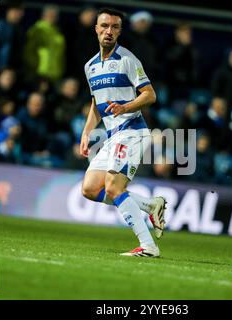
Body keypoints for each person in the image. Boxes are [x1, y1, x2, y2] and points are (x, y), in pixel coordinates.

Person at [80, 8, 166, 257]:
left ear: (120, 31)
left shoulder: (128, 59)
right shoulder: (90, 67)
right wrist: (87, 132)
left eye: (114, 27)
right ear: (96, 29)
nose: (109, 31)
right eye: (104, 26)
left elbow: (150, 95)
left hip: (131, 131)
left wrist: (125, 107)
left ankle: (148, 247)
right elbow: (96, 104)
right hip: (111, 136)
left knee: (114, 188)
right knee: (89, 189)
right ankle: (150, 205)